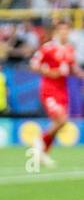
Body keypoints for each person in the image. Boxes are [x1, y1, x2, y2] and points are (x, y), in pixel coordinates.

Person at [30, 20, 83, 167]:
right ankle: (39, 140)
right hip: (49, 89)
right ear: (56, 32)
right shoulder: (48, 48)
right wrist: (50, 72)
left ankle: (43, 153)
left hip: (62, 90)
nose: (64, 33)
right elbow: (34, 65)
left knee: (58, 123)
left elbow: (72, 68)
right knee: (62, 120)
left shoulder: (70, 49)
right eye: (61, 30)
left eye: (66, 30)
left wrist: (80, 74)